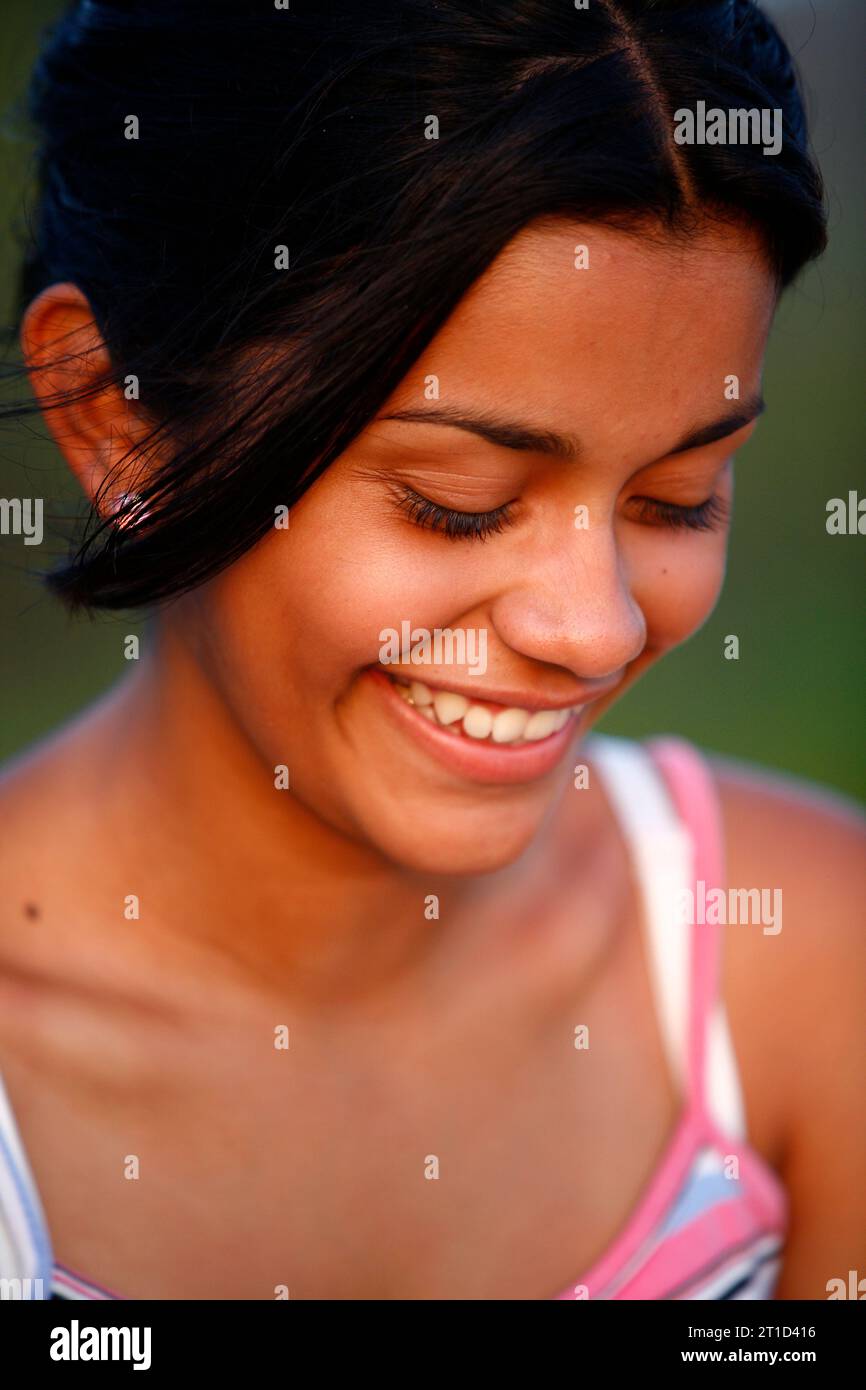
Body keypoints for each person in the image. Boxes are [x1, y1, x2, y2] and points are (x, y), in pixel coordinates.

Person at [0, 0, 863, 1301]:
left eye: (677, 496)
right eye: (456, 499)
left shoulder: (805, 969)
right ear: (117, 421)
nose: (596, 625)